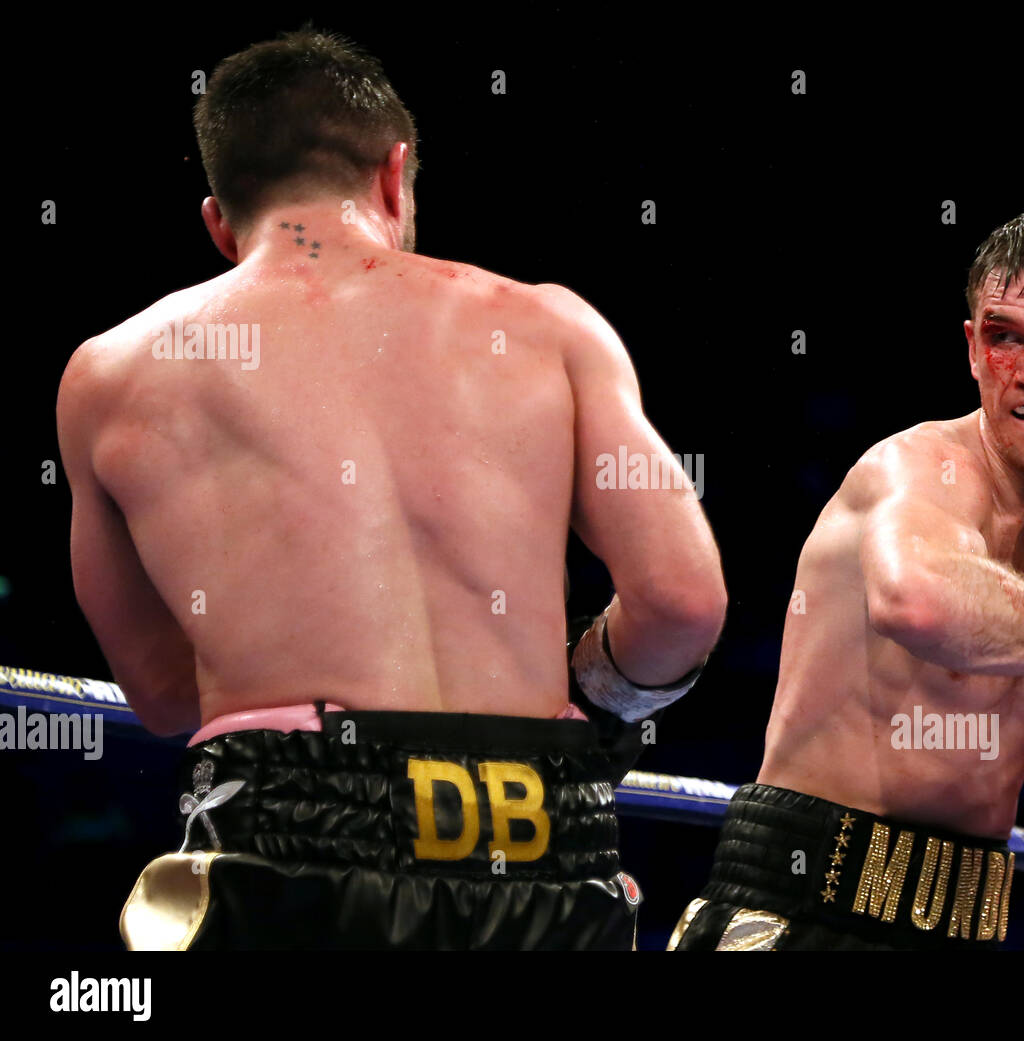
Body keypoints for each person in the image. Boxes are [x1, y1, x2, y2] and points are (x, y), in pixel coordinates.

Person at [56, 29, 726, 950]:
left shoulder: (112, 373)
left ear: (218, 220)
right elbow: (685, 602)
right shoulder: (551, 327)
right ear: (394, 174)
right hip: (543, 838)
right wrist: (587, 700)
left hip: (289, 838)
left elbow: (167, 696)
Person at [669, 207, 1024, 951]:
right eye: (1006, 336)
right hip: (803, 901)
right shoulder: (915, 471)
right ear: (973, 350)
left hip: (967, 918)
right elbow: (920, 601)